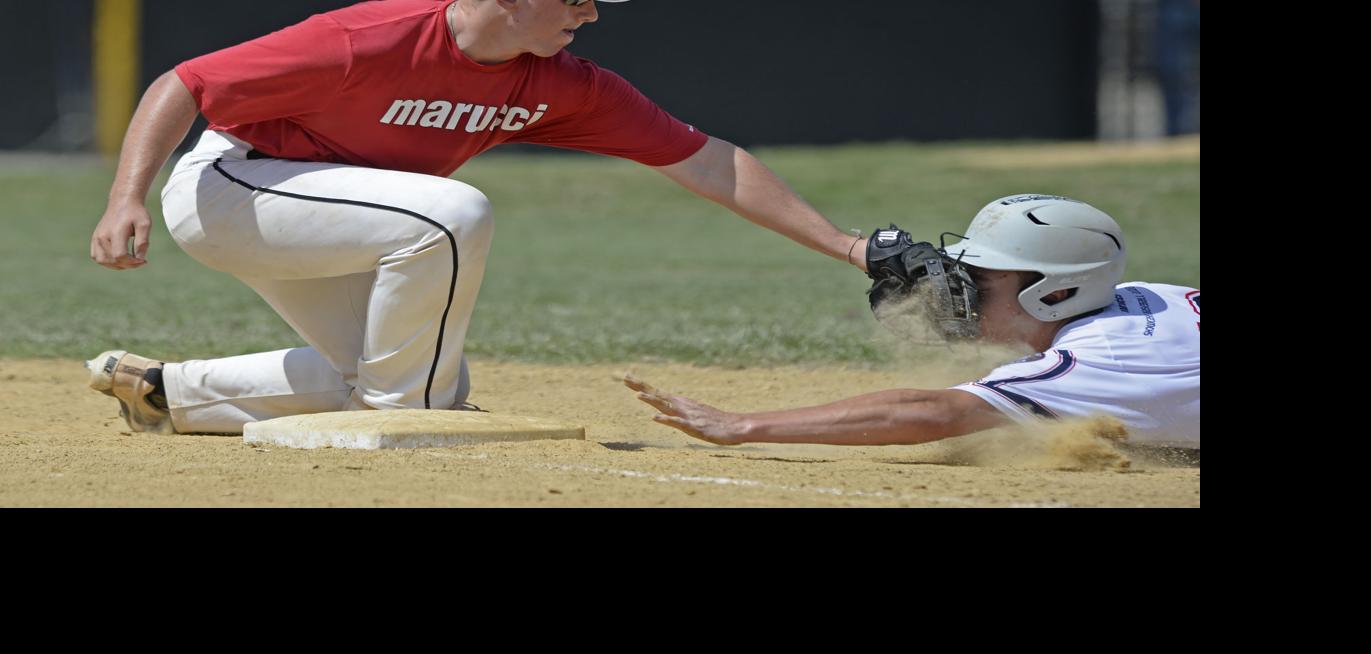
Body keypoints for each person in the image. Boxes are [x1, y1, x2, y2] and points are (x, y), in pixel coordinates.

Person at [85, 0, 875, 435]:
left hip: (335, 215)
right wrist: (126, 198)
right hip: (232, 189)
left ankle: (164, 391)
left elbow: (706, 160)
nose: (593, 14)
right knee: (449, 219)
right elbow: (184, 81)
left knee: (418, 370)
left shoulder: (560, 83)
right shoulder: (369, 38)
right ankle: (401, 425)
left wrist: (848, 247)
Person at [627, 194, 1200, 449]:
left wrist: (742, 425)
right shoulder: (1144, 296)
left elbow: (936, 413)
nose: (958, 289)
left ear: (1059, 291)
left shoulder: (1096, 363)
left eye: (981, 280)